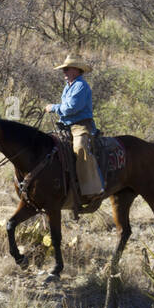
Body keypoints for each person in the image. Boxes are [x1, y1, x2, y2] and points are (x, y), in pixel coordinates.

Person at [44, 53, 104, 209]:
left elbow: (71, 108)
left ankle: (93, 189)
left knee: (80, 148)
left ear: (76, 70)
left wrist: (53, 107)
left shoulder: (81, 86)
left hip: (81, 126)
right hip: (66, 126)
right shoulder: (69, 86)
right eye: (63, 69)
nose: (64, 72)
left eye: (66, 69)